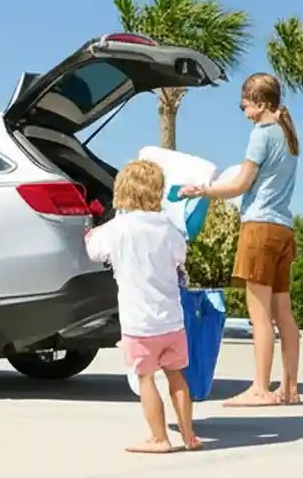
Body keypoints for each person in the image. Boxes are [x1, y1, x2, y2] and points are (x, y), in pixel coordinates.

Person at [180, 72, 302, 407]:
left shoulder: (261, 134)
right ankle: (290, 389)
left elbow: (241, 184)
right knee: (284, 314)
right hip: (283, 229)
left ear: (261, 103)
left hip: (259, 228)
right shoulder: (288, 134)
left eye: (244, 106)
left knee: (259, 315)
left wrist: (203, 190)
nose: (245, 112)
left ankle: (261, 389)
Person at [86, 160, 201, 454]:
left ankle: (159, 437)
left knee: (146, 379)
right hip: (172, 322)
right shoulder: (169, 228)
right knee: (177, 376)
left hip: (139, 325)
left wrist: (90, 232)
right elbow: (180, 256)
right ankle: (189, 436)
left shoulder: (117, 228)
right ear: (157, 192)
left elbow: (94, 251)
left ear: (123, 191)